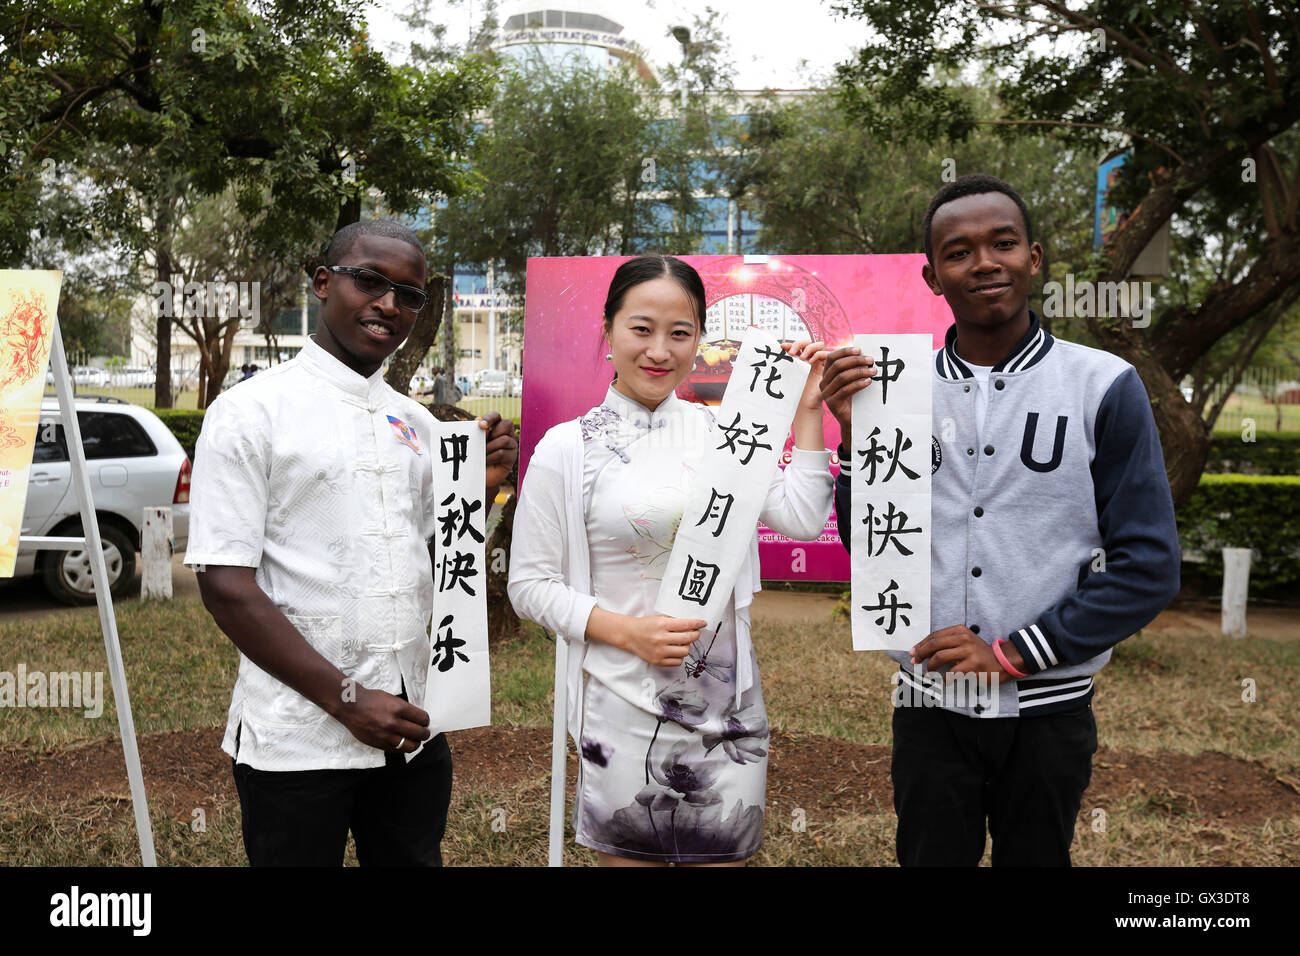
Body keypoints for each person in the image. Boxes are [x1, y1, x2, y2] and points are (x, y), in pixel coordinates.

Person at [820, 174, 1181, 866]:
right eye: (958, 252)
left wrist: (1014, 653)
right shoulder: (891, 390)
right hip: (928, 708)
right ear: (932, 277)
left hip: (1050, 709)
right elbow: (870, 547)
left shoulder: (1103, 385)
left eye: (1003, 243)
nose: (984, 263)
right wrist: (852, 437)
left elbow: (1150, 569)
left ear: (1035, 257)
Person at [184, 219, 518, 867]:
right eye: (370, 281)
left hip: (412, 730)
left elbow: (428, 558)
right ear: (322, 282)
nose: (389, 305)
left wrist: (476, 492)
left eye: (410, 295)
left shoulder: (417, 423)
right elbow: (224, 584)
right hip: (298, 739)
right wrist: (348, 700)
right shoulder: (253, 411)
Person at [508, 254, 833, 866]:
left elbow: (801, 517)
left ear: (699, 342)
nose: (659, 350)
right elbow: (529, 585)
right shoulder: (568, 448)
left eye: (680, 334)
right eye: (641, 328)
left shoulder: (725, 433)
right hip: (621, 701)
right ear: (608, 333)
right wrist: (629, 632)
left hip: (727, 707)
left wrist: (807, 413)